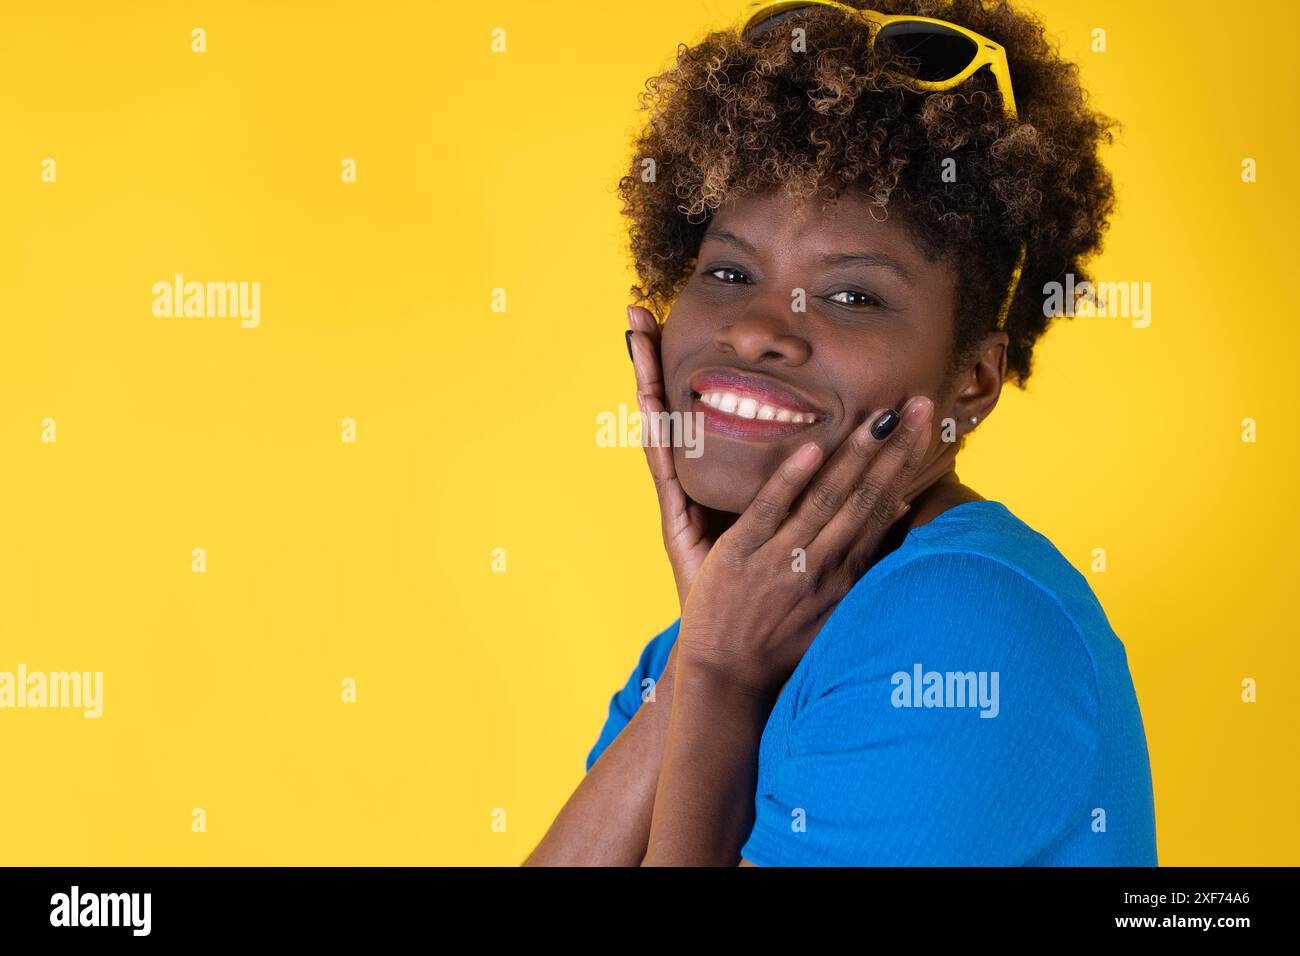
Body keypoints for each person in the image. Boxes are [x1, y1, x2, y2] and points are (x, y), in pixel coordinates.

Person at [526, 0, 1156, 866]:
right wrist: (696, 663)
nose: (753, 329)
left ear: (973, 377)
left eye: (852, 295)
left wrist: (719, 675)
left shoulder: (963, 624)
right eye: (727, 271)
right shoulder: (718, 628)